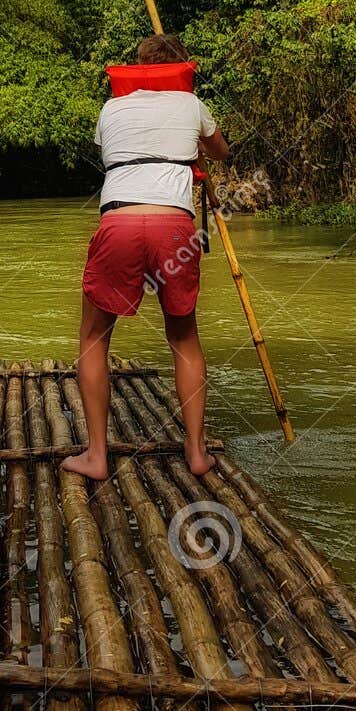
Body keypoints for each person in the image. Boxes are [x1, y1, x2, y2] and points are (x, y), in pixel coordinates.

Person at [63, 32, 229, 481]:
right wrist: (195, 146)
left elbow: (118, 154)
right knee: (185, 337)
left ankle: (96, 455)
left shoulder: (111, 109)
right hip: (174, 228)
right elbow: (221, 151)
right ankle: (196, 452)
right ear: (180, 67)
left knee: (93, 338)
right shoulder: (192, 104)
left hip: (119, 223)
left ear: (138, 67)